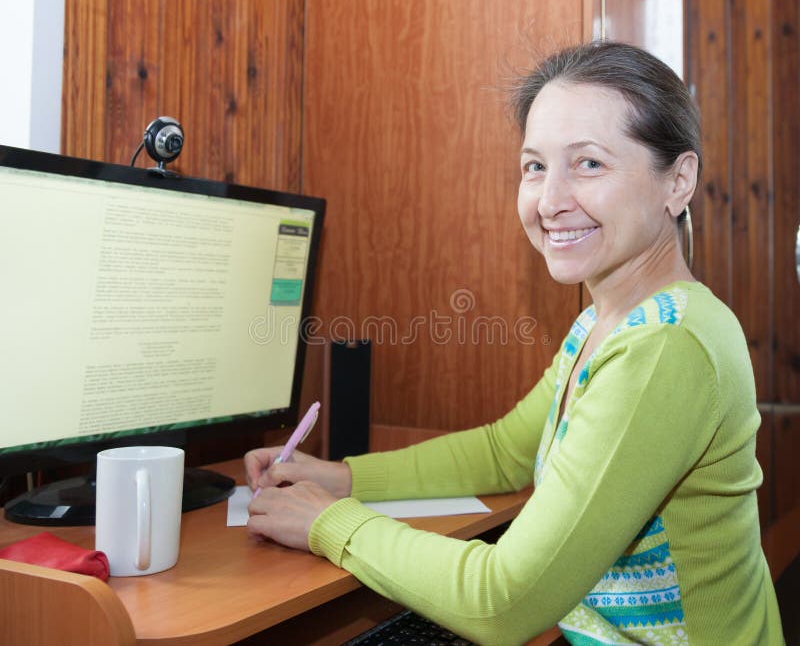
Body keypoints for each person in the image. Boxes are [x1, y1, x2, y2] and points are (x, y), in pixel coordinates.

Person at [244, 41, 784, 645]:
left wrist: (331, 524)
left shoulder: (667, 347)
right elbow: (503, 452)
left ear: (678, 182)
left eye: (588, 164)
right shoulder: (606, 324)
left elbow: (504, 603)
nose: (550, 201)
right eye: (535, 166)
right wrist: (343, 478)